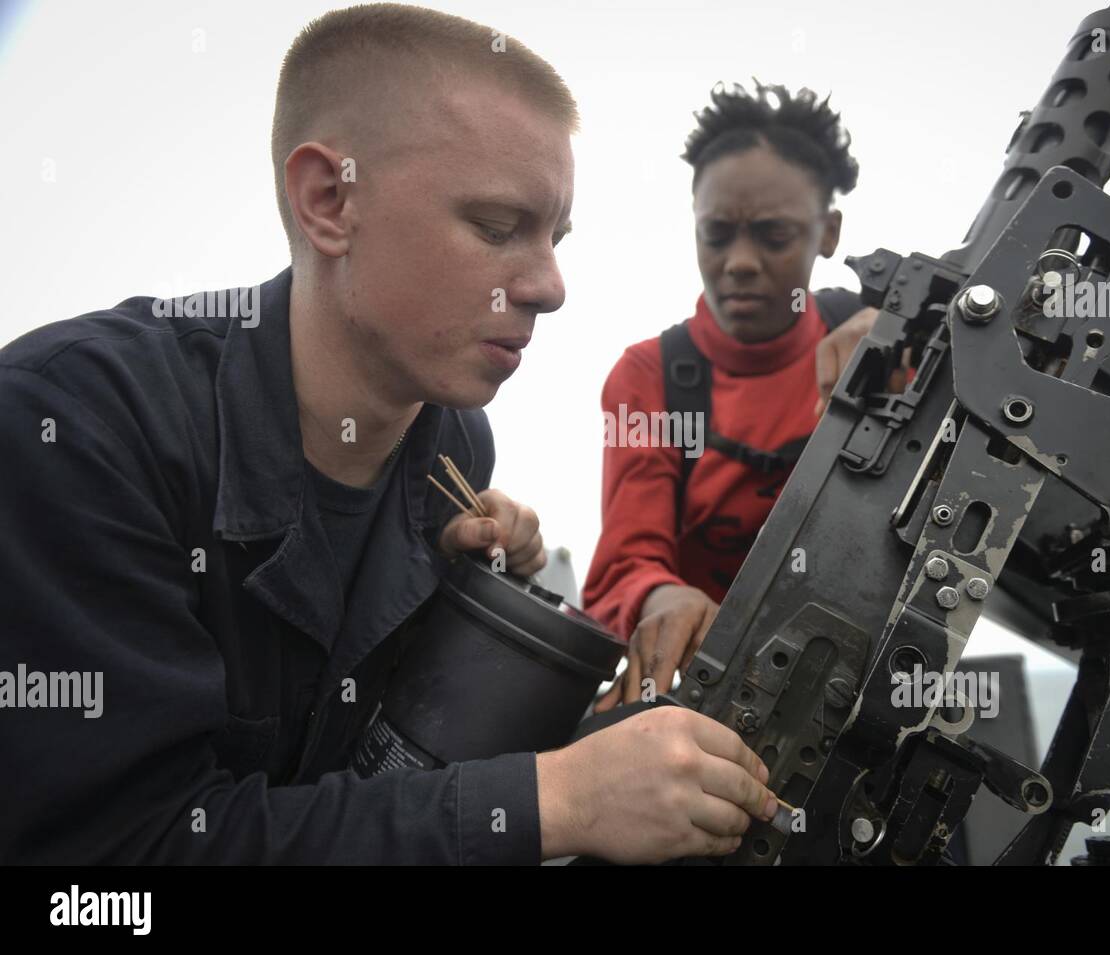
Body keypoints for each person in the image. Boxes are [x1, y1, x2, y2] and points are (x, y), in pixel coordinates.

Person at [0, 3, 774, 865]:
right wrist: (554, 799)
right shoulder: (76, 426)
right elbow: (115, 865)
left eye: (554, 237)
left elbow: (370, 768)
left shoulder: (452, 449)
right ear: (329, 200)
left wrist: (482, 597)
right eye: (495, 227)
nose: (552, 287)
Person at [584, 82, 897, 709]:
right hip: (715, 701)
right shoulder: (652, 377)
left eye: (774, 236)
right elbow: (626, 562)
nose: (740, 263)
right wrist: (662, 597)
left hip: (865, 697)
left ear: (828, 232)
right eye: (717, 234)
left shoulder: (887, 346)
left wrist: (913, 340)